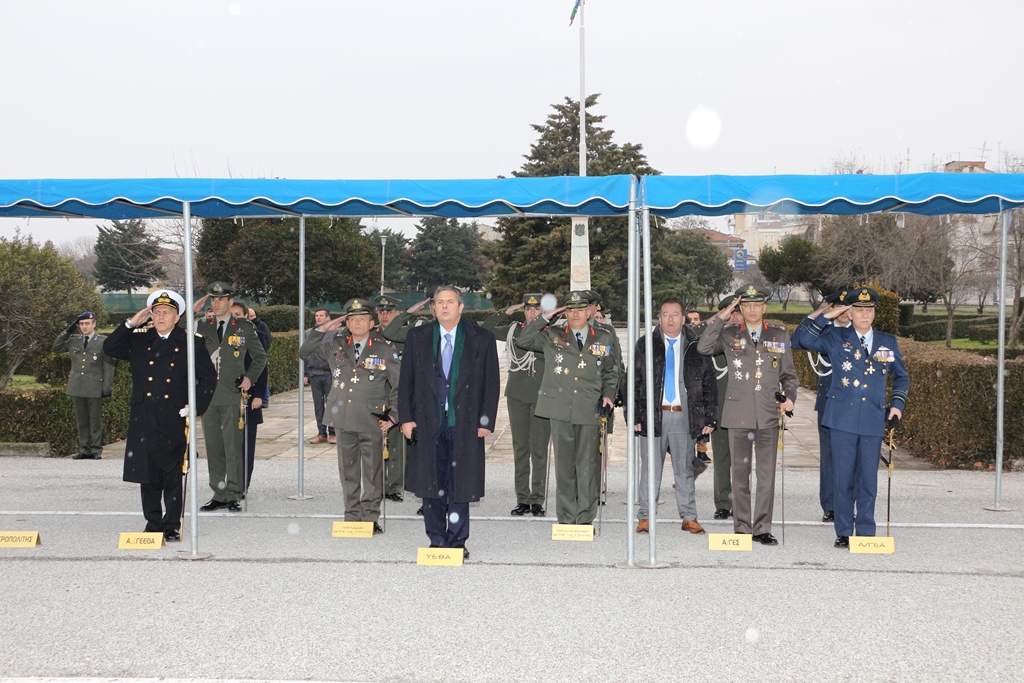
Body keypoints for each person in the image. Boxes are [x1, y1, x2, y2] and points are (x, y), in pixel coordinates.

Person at [792, 287, 909, 548]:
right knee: (842, 477)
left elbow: (901, 376)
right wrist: (827, 314)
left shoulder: (886, 342)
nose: (864, 314)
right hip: (841, 419)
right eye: (858, 309)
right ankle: (844, 531)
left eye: (869, 310)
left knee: (868, 479)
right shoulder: (834, 336)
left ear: (874, 313)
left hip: (872, 419)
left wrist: (896, 405)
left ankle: (866, 531)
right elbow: (799, 340)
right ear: (850, 312)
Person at [103, 290, 216, 541]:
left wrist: (195, 406)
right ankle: (153, 523)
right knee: (147, 473)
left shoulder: (191, 342)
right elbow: (110, 347)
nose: (161, 315)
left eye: (167, 312)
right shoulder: (139, 339)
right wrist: (130, 323)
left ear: (177, 317)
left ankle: (172, 524)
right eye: (156, 312)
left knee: (172, 471)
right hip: (144, 414)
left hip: (173, 413)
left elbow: (208, 378)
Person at [398, 286, 499, 558]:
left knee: (460, 484)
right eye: (439, 302)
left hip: (464, 424)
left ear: (460, 307)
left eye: (450, 302)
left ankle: (457, 541)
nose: (444, 307)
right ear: (433, 307)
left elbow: (492, 382)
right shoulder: (417, 337)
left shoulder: (482, 338)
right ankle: (436, 540)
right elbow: (405, 381)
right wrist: (406, 419)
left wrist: (486, 420)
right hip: (427, 423)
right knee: (430, 483)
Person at [697, 284, 797, 546]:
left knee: (766, 475)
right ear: (740, 308)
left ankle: (762, 527)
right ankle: (741, 527)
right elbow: (704, 347)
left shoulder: (778, 335)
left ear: (764, 307)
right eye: (746, 305)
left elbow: (789, 376)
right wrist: (723, 314)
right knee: (739, 475)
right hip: (738, 413)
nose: (752, 310)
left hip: (767, 414)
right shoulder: (729, 334)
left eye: (757, 305)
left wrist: (790, 398)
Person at [517, 291, 619, 525]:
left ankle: (584, 518)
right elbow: (522, 340)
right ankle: (565, 518)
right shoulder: (552, 335)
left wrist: (608, 395)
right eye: (570, 309)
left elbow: (611, 370)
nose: (575, 314)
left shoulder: (603, 337)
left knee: (586, 466)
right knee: (564, 467)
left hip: (589, 407)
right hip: (560, 408)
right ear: (565, 312)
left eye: (580, 309)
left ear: (588, 312)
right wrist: (546, 316)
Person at [301, 298, 401, 533]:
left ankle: (370, 516)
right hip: (343, 417)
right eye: (353, 318)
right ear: (346, 322)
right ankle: (352, 514)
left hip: (372, 418)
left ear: (372, 322)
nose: (357, 323)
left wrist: (394, 415)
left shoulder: (384, 348)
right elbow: (305, 352)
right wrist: (322, 329)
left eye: (362, 318)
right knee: (348, 471)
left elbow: (399, 384)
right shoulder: (335, 344)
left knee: (372, 471)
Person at [632, 299, 717, 534]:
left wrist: (709, 417)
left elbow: (709, 382)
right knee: (650, 469)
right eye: (665, 315)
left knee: (685, 469)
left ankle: (689, 516)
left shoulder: (695, 346)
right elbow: (636, 382)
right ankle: (646, 516)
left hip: (684, 416)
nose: (670, 319)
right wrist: (636, 416)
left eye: (675, 315)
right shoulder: (646, 344)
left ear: (684, 318)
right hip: (653, 415)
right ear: (659, 318)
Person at [192, 281, 268, 513]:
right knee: (214, 448)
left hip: (233, 395)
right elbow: (181, 338)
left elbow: (260, 357)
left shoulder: (243, 327)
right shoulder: (201, 325)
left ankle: (234, 493)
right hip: (207, 397)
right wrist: (193, 311)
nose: (216, 303)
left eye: (220, 299)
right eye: (213, 299)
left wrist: (249, 379)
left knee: (233, 447)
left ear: (229, 301)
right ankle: (219, 493)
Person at [480, 293, 551, 517]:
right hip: (518, 395)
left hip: (543, 395)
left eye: (537, 309)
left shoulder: (551, 333)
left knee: (539, 450)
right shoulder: (513, 330)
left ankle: (538, 499)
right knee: (521, 448)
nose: (532, 313)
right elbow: (485, 329)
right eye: (528, 309)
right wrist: (505, 312)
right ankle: (523, 499)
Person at [790, 288, 853, 523]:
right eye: (839, 307)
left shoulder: (862, 333)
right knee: (829, 457)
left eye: (848, 307)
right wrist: (815, 316)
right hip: (828, 402)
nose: (844, 312)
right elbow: (796, 341)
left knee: (851, 457)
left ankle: (848, 503)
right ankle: (830, 505)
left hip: (854, 403)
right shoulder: (823, 331)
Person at [51, 311, 114, 460]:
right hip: (77, 385)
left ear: (94, 324)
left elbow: (108, 366)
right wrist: (67, 331)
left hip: (94, 386)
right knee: (82, 420)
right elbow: (56, 347)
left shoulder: (103, 341)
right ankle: (84, 449)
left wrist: (106, 387)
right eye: (81, 324)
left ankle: (96, 449)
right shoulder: (73, 340)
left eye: (87, 323)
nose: (84, 327)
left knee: (95, 420)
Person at [707, 296, 742, 520]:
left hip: (744, 409)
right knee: (721, 458)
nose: (735, 317)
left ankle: (741, 502)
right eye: (731, 312)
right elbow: (696, 338)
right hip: (720, 407)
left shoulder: (752, 338)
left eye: (738, 312)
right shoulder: (715, 339)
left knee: (742, 460)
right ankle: (722, 503)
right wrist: (716, 321)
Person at [231, 301, 269, 491]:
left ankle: (242, 484)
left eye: (238, 314)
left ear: (247, 316)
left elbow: (262, 367)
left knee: (246, 443)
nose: (235, 319)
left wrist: (259, 395)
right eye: (232, 315)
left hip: (248, 394)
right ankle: (228, 484)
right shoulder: (221, 337)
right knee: (228, 444)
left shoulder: (257, 336)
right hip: (226, 397)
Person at [373, 294, 408, 502]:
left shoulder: (404, 335)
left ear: (397, 314)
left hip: (396, 395)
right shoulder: (370, 334)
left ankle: (394, 486)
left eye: (389, 312)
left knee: (396, 442)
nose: (385, 315)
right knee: (374, 442)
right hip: (374, 396)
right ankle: (376, 484)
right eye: (381, 311)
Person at [305, 308, 337, 445]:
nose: (318, 318)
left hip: (329, 373)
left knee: (331, 404)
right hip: (314, 374)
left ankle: (333, 433)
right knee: (318, 406)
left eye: (321, 316)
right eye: (316, 316)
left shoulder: (335, 332)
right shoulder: (309, 333)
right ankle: (321, 433)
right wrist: (305, 374)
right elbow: (305, 353)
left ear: (328, 318)